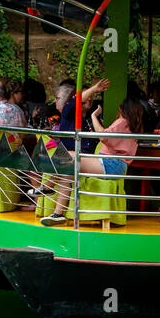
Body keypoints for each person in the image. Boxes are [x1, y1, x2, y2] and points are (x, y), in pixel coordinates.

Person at [40, 95, 143, 224]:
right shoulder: (133, 126)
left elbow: (103, 136)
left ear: (124, 109)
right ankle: (57, 214)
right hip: (116, 166)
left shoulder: (122, 121)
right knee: (69, 169)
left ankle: (47, 186)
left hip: (110, 163)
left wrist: (94, 116)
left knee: (69, 156)